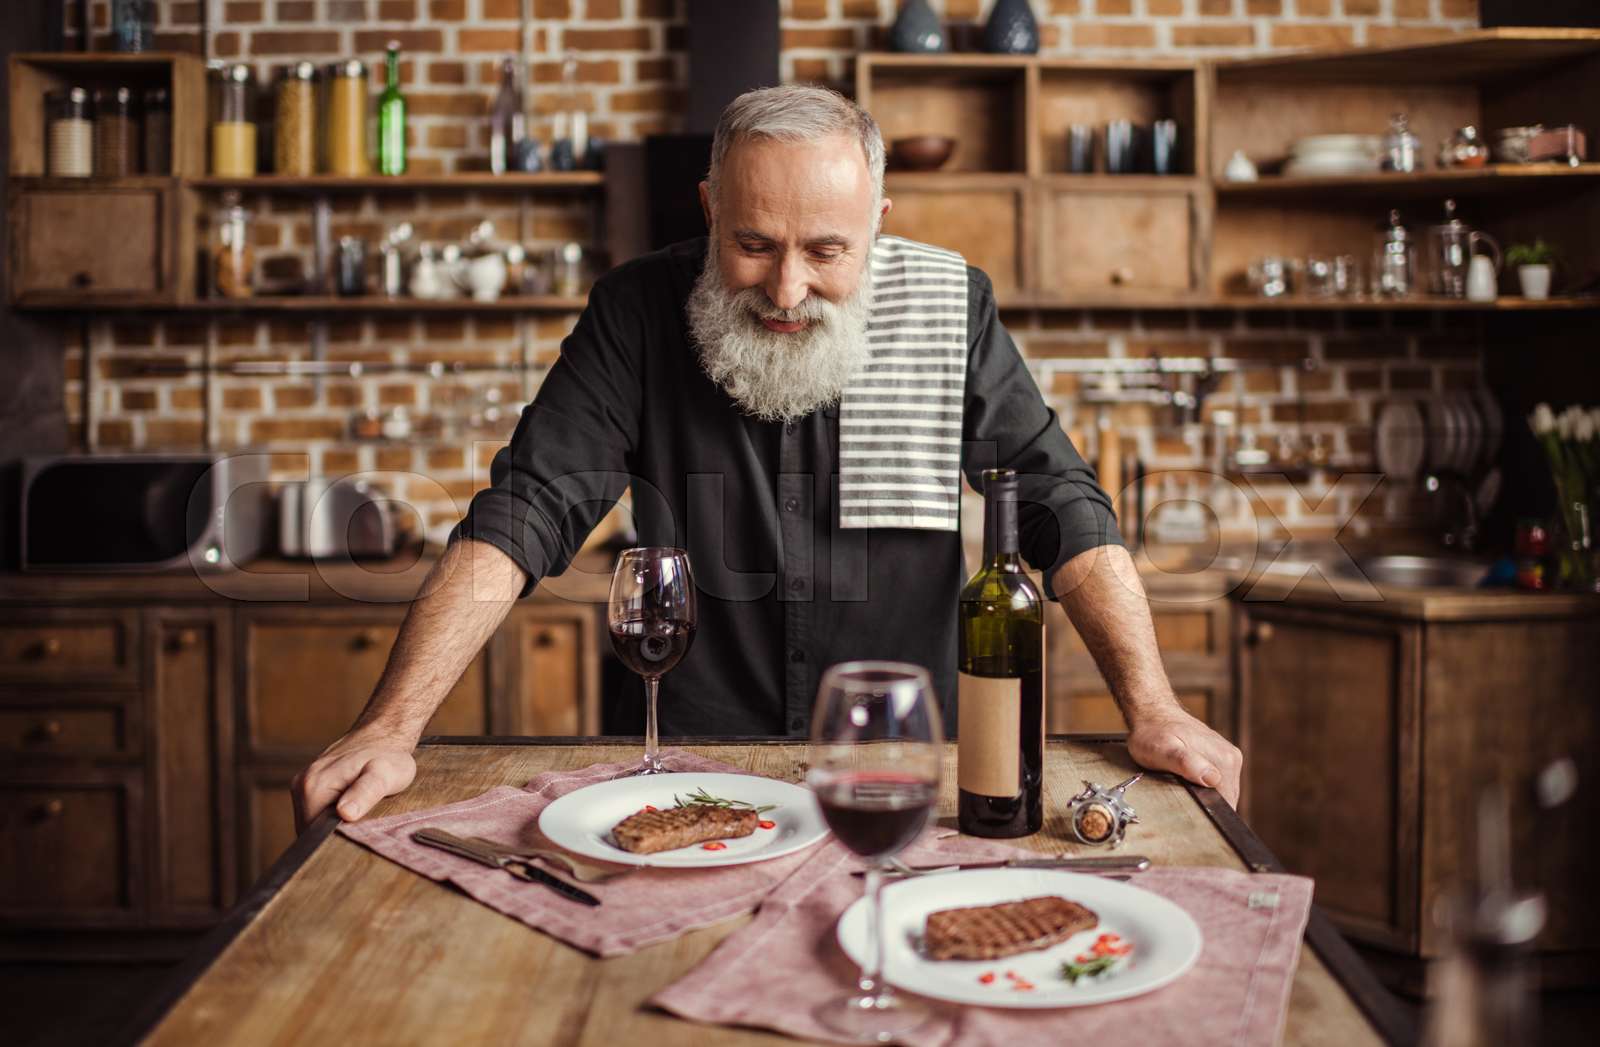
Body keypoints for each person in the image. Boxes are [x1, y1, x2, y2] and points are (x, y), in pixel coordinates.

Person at [292, 85, 1241, 829]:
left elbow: (1058, 502)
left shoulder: (948, 305)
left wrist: (1151, 707)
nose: (787, 287)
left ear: (877, 219)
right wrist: (391, 725)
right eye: (753, 244)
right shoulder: (636, 309)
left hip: (897, 765)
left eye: (826, 249)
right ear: (710, 209)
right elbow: (523, 513)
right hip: (683, 775)